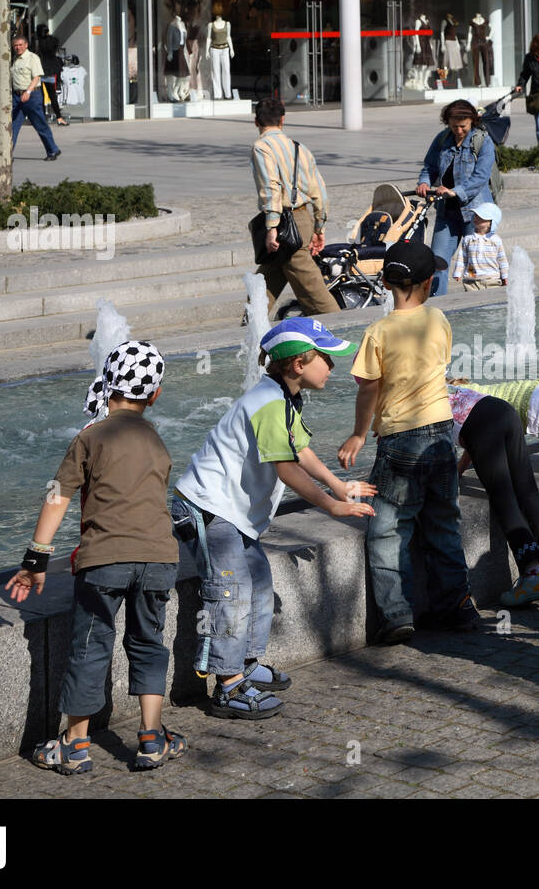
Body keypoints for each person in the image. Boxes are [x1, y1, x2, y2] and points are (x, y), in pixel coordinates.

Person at [174, 319, 375, 718]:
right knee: (228, 592)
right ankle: (227, 687)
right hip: (209, 508)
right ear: (299, 364)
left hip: (233, 514)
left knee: (259, 583)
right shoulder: (268, 402)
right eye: (325, 359)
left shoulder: (284, 397)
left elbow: (300, 450)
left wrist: (339, 485)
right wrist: (331, 506)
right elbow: (286, 468)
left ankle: (245, 664)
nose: (332, 368)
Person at [6, 341, 185, 774]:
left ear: (108, 385)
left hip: (105, 561)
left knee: (89, 647)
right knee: (148, 643)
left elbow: (58, 495)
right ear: (155, 394)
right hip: (160, 560)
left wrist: (35, 560)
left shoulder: (90, 436)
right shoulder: (157, 439)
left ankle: (75, 743)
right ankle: (151, 737)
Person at [338, 242, 478, 645]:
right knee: (442, 523)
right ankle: (456, 606)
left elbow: (369, 388)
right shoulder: (437, 320)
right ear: (429, 283)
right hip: (439, 434)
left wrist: (360, 433)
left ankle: (396, 614)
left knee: (385, 528)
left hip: (399, 438)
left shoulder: (377, 332)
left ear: (383, 282)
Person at [446, 382, 539, 606]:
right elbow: (471, 441)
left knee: (503, 498)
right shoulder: (449, 389)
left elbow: (454, 440)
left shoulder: (414, 405)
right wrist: (460, 467)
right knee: (527, 490)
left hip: (481, 425)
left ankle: (532, 576)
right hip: (503, 410)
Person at [250, 97, 339, 316]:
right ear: (282, 120)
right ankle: (248, 334)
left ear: (256, 122)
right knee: (261, 289)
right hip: (303, 220)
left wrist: (272, 228)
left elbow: (270, 187)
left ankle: (343, 334)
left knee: (316, 297)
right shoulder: (300, 148)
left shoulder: (262, 147)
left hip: (283, 226)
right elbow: (320, 191)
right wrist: (319, 228)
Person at [416, 100, 498, 298]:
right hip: (447, 213)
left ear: (472, 122)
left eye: (463, 126)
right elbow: (429, 166)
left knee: (478, 268)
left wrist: (455, 191)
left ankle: (480, 311)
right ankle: (438, 312)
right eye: (454, 126)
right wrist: (425, 182)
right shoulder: (442, 139)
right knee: (437, 262)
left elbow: (480, 178)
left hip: (477, 214)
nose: (459, 130)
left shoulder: (483, 141)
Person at [10, 35, 61, 161]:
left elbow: (36, 77)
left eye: (20, 45)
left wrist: (28, 92)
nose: (18, 47)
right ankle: (7, 154)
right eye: (15, 45)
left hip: (32, 95)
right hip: (17, 96)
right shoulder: (14, 59)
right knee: (12, 126)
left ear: (26, 45)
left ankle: (52, 150)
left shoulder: (32, 58)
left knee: (40, 124)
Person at [452, 202, 507, 290]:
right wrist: (458, 272)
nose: (476, 219)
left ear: (490, 223)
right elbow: (462, 258)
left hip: (492, 279)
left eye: (481, 217)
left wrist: (505, 276)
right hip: (471, 280)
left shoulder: (496, 240)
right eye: (476, 216)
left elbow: (502, 260)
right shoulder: (468, 239)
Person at [37, 28, 68, 127]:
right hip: (51, 71)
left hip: (41, 70)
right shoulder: (53, 41)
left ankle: (41, 119)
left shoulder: (38, 43)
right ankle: (59, 118)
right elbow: (56, 44)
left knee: (40, 97)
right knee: (53, 96)